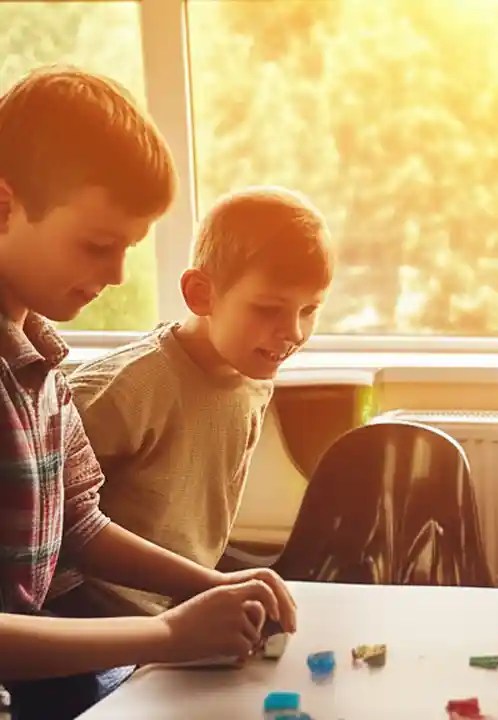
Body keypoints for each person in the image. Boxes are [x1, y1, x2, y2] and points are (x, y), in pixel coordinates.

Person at [0, 66, 295, 719]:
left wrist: (210, 584)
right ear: (4, 207)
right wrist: (165, 634)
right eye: (97, 245)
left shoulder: (40, 365)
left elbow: (79, 524)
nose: (116, 273)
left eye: (128, 248)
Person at [53, 186, 333, 618]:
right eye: (267, 309)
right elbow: (48, 522)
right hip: (96, 621)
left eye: (309, 310)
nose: (294, 332)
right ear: (201, 294)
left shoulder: (254, 378)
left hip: (182, 604)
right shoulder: (126, 388)